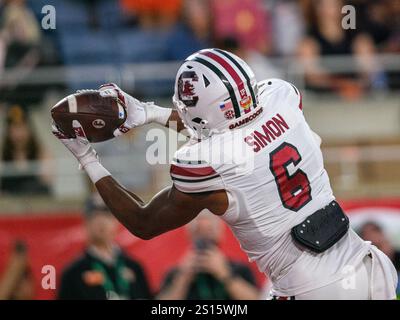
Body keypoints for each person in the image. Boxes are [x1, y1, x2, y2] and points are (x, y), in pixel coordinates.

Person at [52, 48, 398, 299]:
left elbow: (143, 223)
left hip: (313, 289)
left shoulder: (206, 162)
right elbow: (234, 131)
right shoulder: (282, 97)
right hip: (370, 265)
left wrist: (88, 158)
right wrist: (150, 113)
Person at [57, 194, 152, 300]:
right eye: (95, 216)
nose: (101, 221)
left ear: (116, 221)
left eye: (107, 216)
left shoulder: (133, 266)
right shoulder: (74, 272)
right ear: (86, 223)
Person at [158, 213, 259, 300]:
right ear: (190, 235)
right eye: (198, 231)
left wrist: (225, 274)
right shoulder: (176, 273)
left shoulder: (239, 268)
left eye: (209, 231)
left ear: (219, 234)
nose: (204, 241)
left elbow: (258, 298)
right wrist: (183, 278)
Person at [1, 105, 51, 195]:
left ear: (29, 129)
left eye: (21, 127)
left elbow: (47, 180)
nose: (18, 134)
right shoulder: (3, 152)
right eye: (14, 128)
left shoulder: (39, 151)